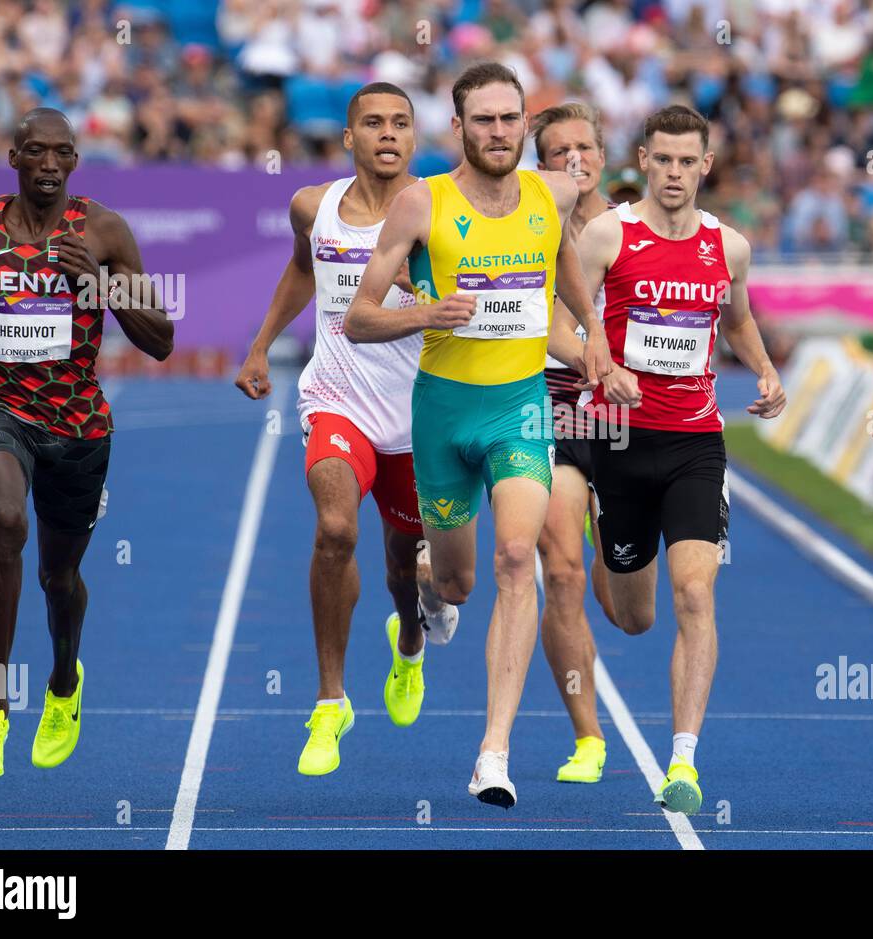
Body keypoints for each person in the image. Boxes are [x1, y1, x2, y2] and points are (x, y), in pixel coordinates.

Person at [343, 63, 612, 808]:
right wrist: (424, 314)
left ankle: (493, 751)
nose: (499, 132)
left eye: (510, 118)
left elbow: (562, 275)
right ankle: (429, 588)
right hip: (442, 414)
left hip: (518, 408)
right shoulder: (419, 204)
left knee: (518, 556)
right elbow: (358, 317)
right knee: (459, 578)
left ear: (528, 125)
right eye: (483, 120)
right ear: (458, 127)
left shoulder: (552, 194)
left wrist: (593, 341)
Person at [0, 108, 174, 776]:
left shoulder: (102, 229)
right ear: (12, 157)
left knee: (58, 576)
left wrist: (99, 281)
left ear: (73, 161)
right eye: (34, 152)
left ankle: (64, 681)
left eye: (60, 153)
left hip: (79, 426)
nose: (47, 164)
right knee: (6, 521)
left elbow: (161, 339)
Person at [563, 104, 786, 815]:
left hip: (696, 442)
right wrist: (600, 364)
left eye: (687, 161)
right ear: (644, 161)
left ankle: (683, 759)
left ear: (705, 166)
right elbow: (567, 316)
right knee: (634, 617)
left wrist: (765, 368)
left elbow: (739, 314)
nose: (674, 173)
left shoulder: (730, 246)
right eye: (662, 160)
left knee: (695, 592)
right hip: (620, 441)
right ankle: (609, 543)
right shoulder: (608, 235)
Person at [234, 83, 444, 776]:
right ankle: (331, 700)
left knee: (400, 563)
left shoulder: (443, 213)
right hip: (337, 396)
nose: (389, 133)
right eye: (374, 122)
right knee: (334, 529)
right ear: (349, 137)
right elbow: (304, 268)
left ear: (415, 137)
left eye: (401, 123)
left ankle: (409, 638)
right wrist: (263, 343)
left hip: (418, 415)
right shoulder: (311, 206)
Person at [529, 101, 619, 784]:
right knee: (558, 571)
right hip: (554, 409)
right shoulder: (529, 225)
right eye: (559, 151)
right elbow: (536, 325)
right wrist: (593, 358)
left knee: (624, 607)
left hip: (628, 420)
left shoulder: (636, 229)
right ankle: (588, 736)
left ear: (604, 152)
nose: (574, 160)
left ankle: (611, 556)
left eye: (584, 146)